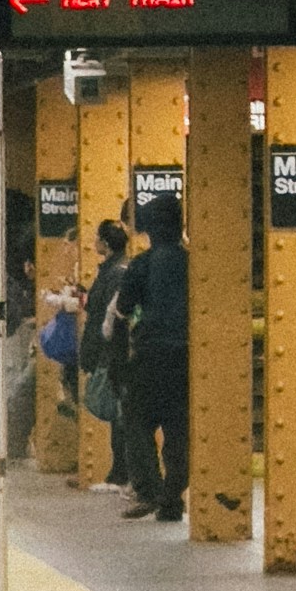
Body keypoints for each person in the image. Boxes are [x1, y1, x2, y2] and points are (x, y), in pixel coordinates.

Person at [121, 195, 190, 521]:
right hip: (186, 357)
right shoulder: (193, 263)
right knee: (178, 429)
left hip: (150, 355)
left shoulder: (142, 264)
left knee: (137, 422)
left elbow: (123, 307)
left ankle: (149, 490)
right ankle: (173, 498)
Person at [85, 217, 133, 484]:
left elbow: (109, 314)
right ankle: (119, 472)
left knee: (118, 412)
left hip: (112, 349)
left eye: (96, 238)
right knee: (117, 411)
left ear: (104, 243)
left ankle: (121, 474)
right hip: (112, 348)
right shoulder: (116, 269)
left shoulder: (115, 272)